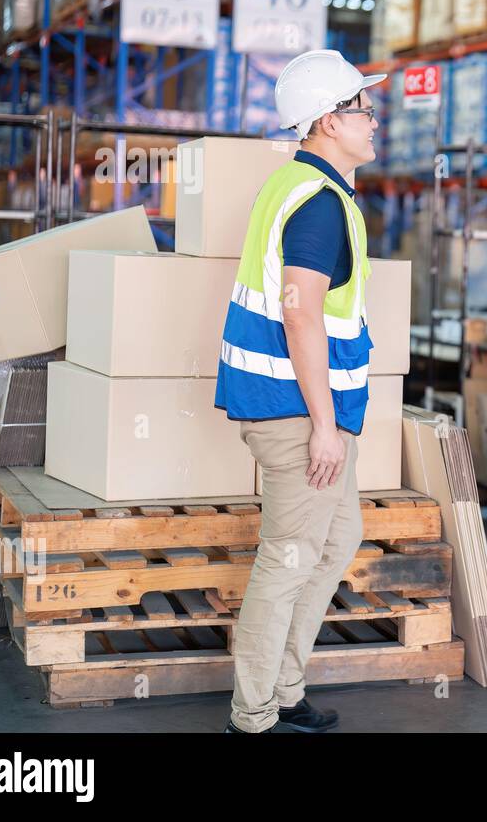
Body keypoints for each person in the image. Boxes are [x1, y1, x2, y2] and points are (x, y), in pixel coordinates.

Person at [214, 49, 387, 733]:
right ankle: (253, 715)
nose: (373, 121)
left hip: (308, 408)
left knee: (338, 537)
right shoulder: (317, 205)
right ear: (326, 121)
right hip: (297, 412)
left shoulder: (304, 186)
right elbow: (301, 312)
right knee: (287, 561)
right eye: (361, 109)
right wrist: (322, 425)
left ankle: (284, 688)